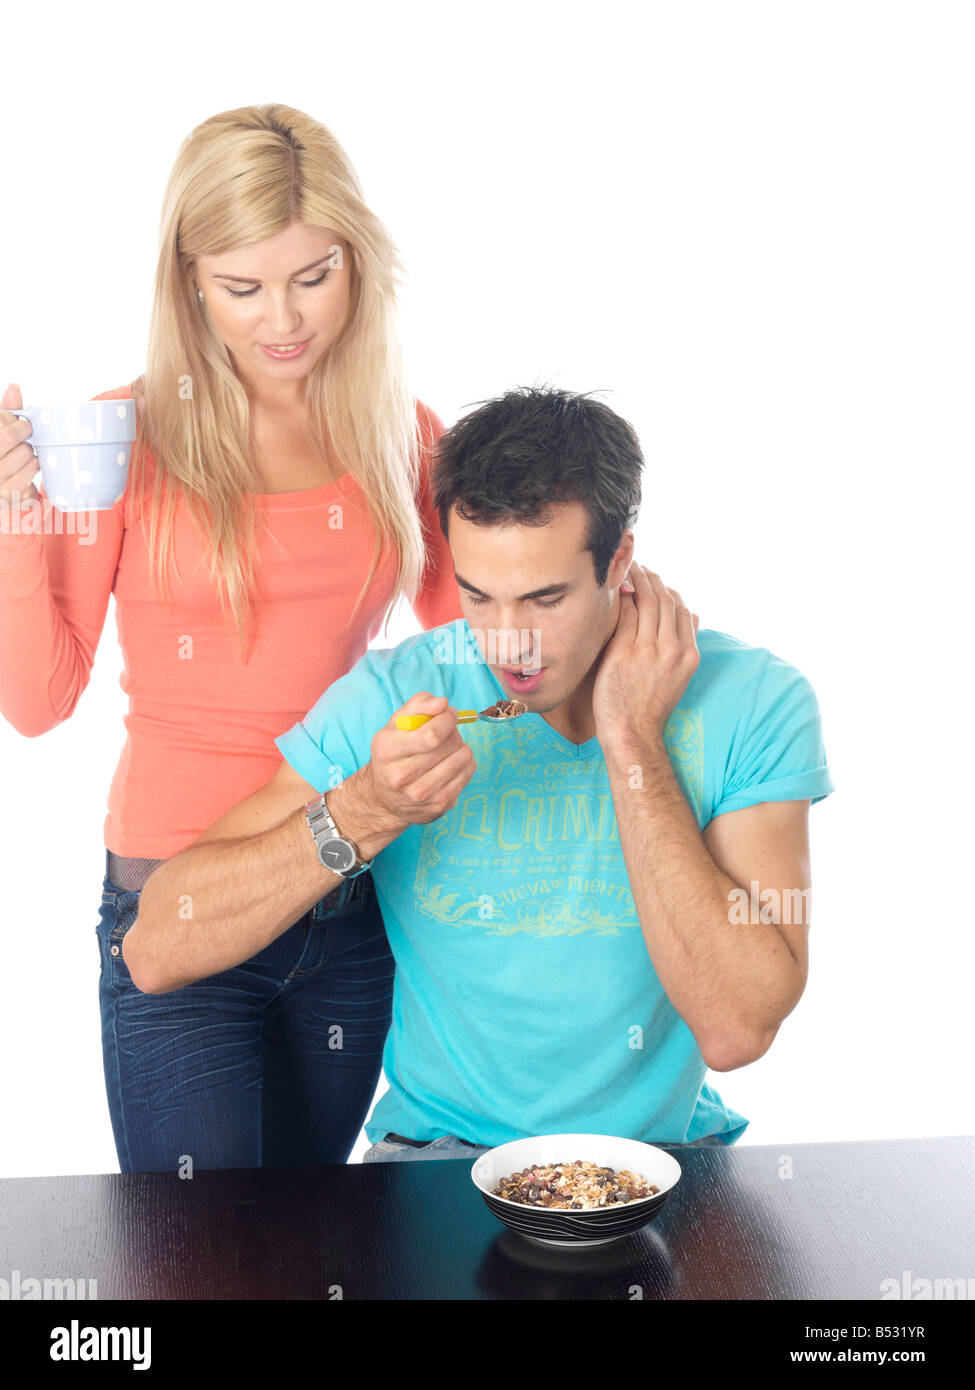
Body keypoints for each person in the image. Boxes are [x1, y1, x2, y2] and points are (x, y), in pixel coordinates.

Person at [121, 385, 835, 1162]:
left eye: (544, 599)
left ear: (619, 559)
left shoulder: (754, 699)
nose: (508, 646)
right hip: (437, 1162)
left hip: (666, 1159)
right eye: (476, 596)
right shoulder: (399, 694)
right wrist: (365, 810)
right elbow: (157, 948)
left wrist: (630, 736)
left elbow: (736, 1027)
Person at [0, 104, 463, 1173]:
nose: (282, 320)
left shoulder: (403, 434)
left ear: (358, 261)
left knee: (312, 1249)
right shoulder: (125, 435)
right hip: (177, 896)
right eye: (241, 287)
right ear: (190, 282)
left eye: (314, 275)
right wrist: (15, 527)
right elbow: (37, 700)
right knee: (204, 1266)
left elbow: (478, 646)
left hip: (348, 895)